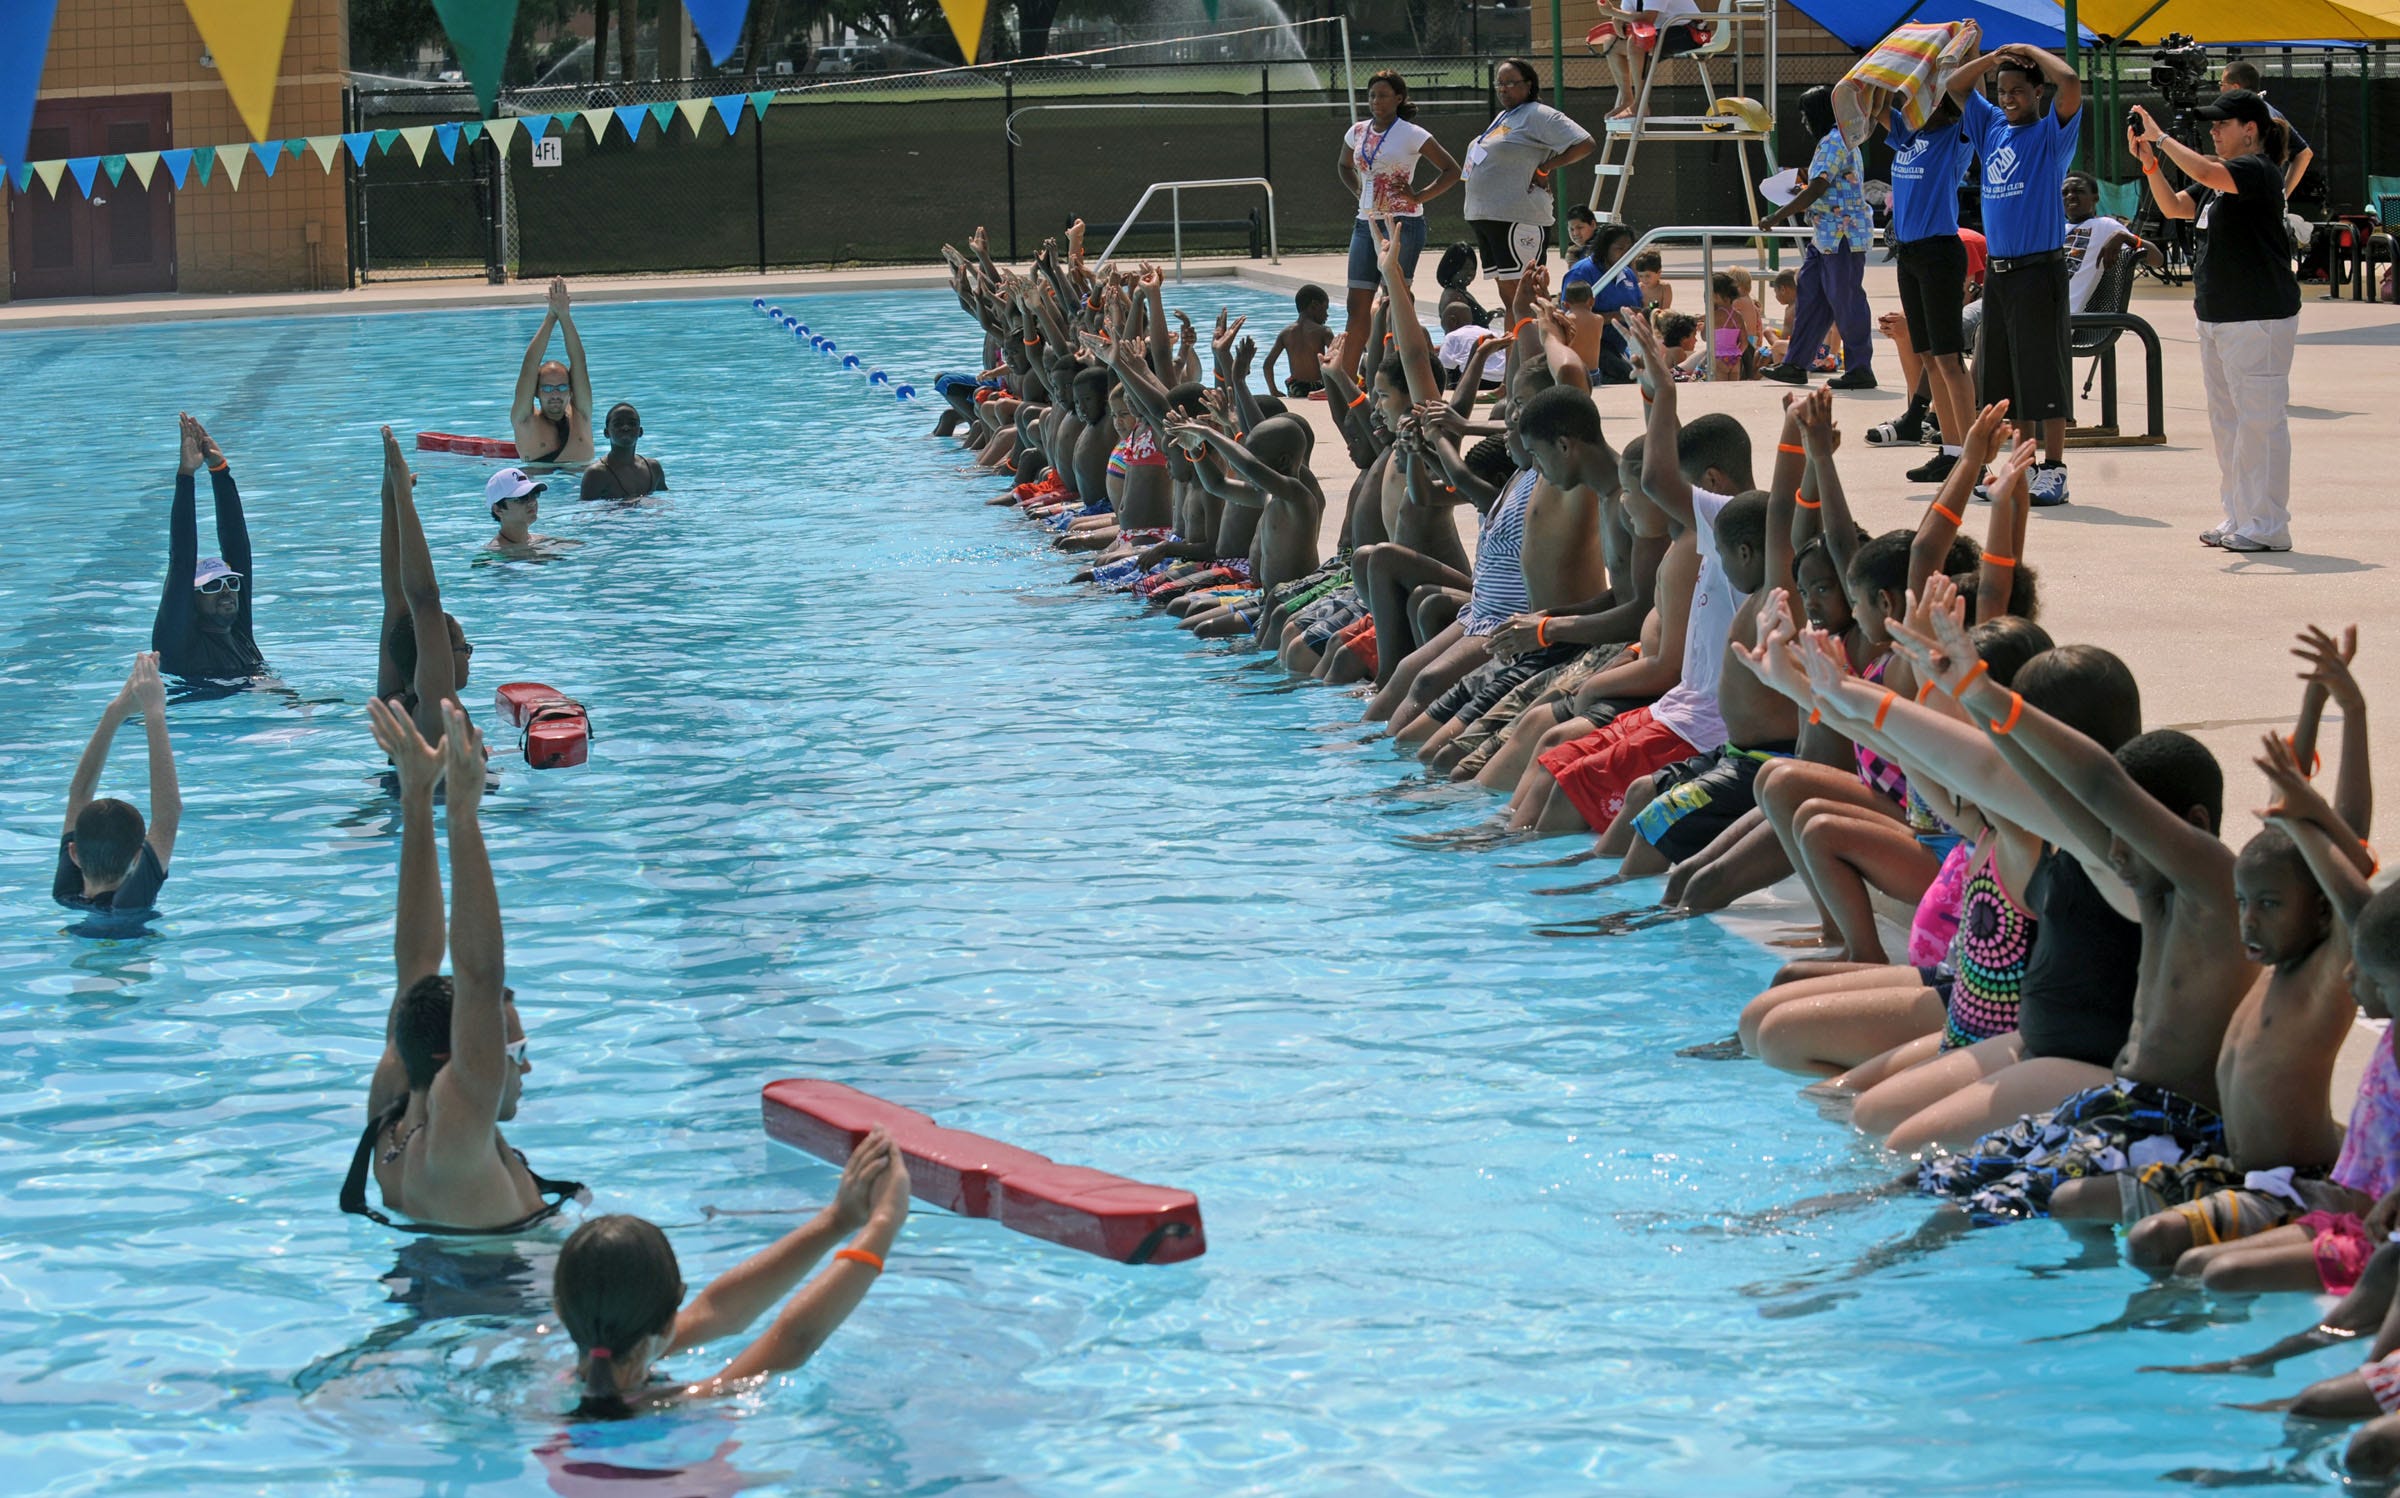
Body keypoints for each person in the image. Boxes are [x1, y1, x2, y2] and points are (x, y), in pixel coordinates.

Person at [348, 699, 583, 1235]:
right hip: (510, 1307)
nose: (524, 1069)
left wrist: (415, 799)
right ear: (457, 1059)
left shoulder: (395, 1110)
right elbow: (479, 979)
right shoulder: (454, 1135)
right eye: (512, 1053)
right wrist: (461, 814)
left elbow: (417, 962)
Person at [553, 1129, 908, 1414]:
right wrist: (885, 1221)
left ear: (560, 1309)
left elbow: (717, 1311)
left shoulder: (554, 1387)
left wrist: (838, 1220)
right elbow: (795, 1340)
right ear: (667, 1321)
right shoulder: (670, 1408)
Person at [2130, 92, 2303, 553]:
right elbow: (2174, 208)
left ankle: (2268, 524)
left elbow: (2205, 171)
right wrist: (2150, 163)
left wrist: (2161, 137)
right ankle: (2240, 515)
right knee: (2229, 423)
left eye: (2222, 123)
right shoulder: (2221, 178)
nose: (2213, 130)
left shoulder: (2256, 169)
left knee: (2260, 423)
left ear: (2251, 129)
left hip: (2258, 317)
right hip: (2221, 316)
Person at [1946, 42, 2082, 505]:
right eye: (2003, 90)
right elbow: (1955, 84)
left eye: (2018, 90)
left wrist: (2028, 51)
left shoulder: (2050, 135)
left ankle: (2055, 468)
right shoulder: (1990, 128)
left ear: (2037, 93)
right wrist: (1993, 59)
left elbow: (2071, 83)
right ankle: (2023, 466)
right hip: (2001, 276)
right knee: (2009, 375)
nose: (2008, 98)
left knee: (2044, 371)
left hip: (2038, 270)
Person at [1333, 71, 1461, 381]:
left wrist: (1419, 195)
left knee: (1394, 302)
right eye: (1372, 95)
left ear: (1399, 98)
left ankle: (1395, 375)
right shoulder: (1358, 131)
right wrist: (1360, 193)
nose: (1376, 101)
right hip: (1366, 225)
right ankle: (1346, 380)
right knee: (1357, 303)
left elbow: (1451, 170)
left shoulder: (1412, 133)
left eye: (1384, 95)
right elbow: (1344, 165)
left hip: (1402, 224)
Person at [1876, 93, 1976, 481]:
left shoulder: (1955, 135)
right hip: (1909, 254)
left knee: (1949, 358)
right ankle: (1950, 451)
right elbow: (1869, 100)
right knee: (1930, 357)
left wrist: (1968, 53)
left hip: (1939, 253)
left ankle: (1971, 458)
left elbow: (1974, 95)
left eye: (1928, 99)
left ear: (1946, 105)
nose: (1916, 106)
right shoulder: (1906, 134)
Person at [1761, 87, 1876, 391]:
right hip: (1824, 236)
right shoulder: (1833, 141)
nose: (1803, 121)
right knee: (1810, 297)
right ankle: (1796, 364)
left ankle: (1860, 368)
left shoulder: (1834, 141)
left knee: (1846, 301)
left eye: (1805, 114)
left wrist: (1777, 216)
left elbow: (1818, 187)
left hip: (1842, 237)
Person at [1460, 58, 1594, 310]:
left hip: (1517, 217)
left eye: (1511, 83)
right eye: (1499, 83)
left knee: (1525, 295)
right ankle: (1517, 349)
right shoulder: (1504, 116)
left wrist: (1546, 167)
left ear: (1528, 84)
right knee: (1509, 297)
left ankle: (1540, 347)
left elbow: (1585, 143)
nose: (1503, 89)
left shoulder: (1538, 114)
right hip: (1488, 217)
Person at [54, 653, 179, 919]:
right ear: (137, 858)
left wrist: (115, 712)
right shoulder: (132, 901)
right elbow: (167, 816)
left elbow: (79, 794)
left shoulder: (66, 895)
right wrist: (154, 713)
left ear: (74, 853)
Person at [376, 426, 473, 746]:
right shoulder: (437, 713)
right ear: (438, 655)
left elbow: (395, 597)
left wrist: (390, 497)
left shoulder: (394, 706)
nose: (468, 657)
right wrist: (404, 498)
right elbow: (424, 599)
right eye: (462, 649)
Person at [154, 413, 266, 687]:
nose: (227, 590)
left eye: (229, 581)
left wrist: (220, 470)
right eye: (211, 586)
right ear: (190, 600)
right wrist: (186, 475)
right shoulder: (178, 643)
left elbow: (238, 547)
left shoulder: (237, 632)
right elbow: (181, 560)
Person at [511, 277, 596, 467]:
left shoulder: (581, 413)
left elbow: (579, 362)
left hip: (584, 493)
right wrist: (551, 317)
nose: (555, 394)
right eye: (548, 389)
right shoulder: (524, 420)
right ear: (536, 392)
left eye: (561, 387)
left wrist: (565, 316)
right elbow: (530, 365)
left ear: (571, 390)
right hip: (542, 494)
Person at [1589, 0, 1708, 120]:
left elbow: (1647, 18)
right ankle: (1627, 101)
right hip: (1663, 31)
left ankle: (1641, 105)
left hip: (1690, 31)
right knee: (1611, 44)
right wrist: (1617, 19)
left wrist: (1613, 12)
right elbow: (1626, 15)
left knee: (1636, 43)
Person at [2222, 60, 2313, 200]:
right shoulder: (2269, 111)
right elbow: (2304, 153)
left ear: (2235, 88)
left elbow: (2304, 154)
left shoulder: (2253, 116)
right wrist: (2283, 197)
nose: (2220, 90)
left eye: (2222, 84)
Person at [485, 467, 581, 558]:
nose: (532, 502)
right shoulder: (494, 555)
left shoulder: (543, 541)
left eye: (534, 494)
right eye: (522, 498)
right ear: (498, 509)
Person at [580, 402, 667, 500]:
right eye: (618, 424)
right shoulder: (596, 474)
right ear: (606, 433)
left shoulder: (654, 468)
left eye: (632, 423)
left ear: (640, 431)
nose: (626, 428)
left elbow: (664, 501)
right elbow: (585, 511)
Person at [1265, 285, 1340, 398]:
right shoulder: (1324, 331)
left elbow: (1267, 364)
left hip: (1296, 388)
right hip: (1320, 387)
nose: (1327, 315)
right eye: (1325, 309)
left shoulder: (1285, 333)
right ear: (1314, 305)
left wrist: (1273, 391)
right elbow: (1337, 361)